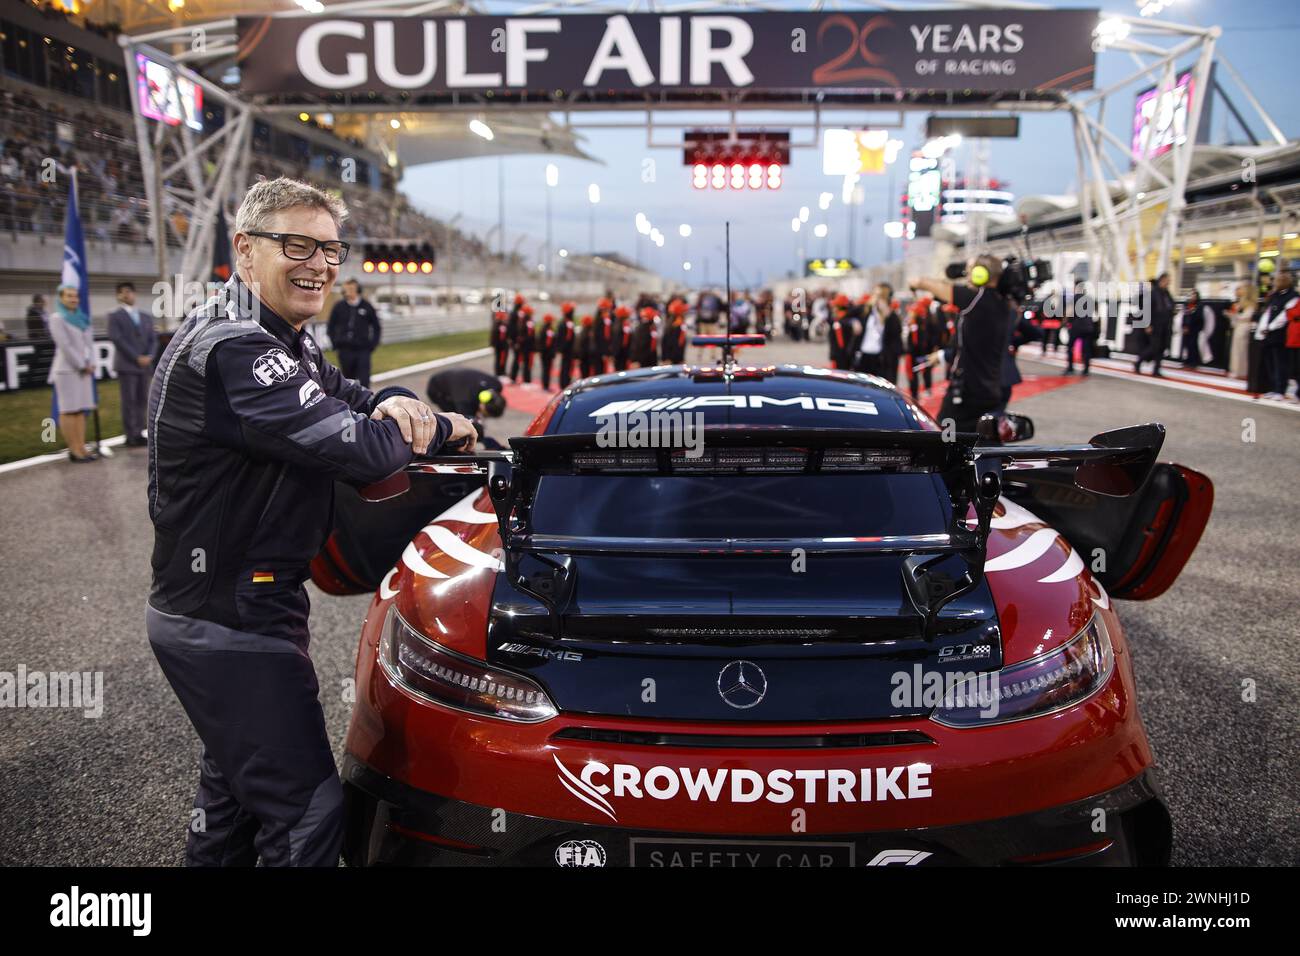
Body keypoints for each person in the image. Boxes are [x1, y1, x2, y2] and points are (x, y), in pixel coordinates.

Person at [145, 177, 475, 867]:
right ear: (245, 248)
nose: (319, 264)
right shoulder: (239, 347)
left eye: (330, 249)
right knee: (308, 813)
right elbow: (361, 448)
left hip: (234, 606)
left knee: (231, 804)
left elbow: (353, 396)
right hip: (230, 617)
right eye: (296, 245)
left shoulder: (279, 336)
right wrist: (441, 424)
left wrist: (395, 399)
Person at [910, 254, 1014, 433]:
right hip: (990, 389)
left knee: (945, 438)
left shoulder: (977, 298)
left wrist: (917, 282)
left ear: (981, 274)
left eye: (970, 270)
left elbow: (925, 283)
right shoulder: (1003, 302)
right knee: (981, 440)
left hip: (968, 392)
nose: (967, 275)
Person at [46, 283, 98, 463]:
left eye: (75, 295)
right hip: (67, 371)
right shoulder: (57, 318)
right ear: (61, 298)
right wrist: (82, 364)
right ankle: (74, 450)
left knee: (80, 410)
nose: (73, 299)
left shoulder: (83, 318)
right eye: (69, 295)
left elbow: (89, 344)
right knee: (69, 410)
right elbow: (65, 345)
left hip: (85, 371)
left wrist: (92, 363)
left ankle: (82, 447)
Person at [106, 280, 157, 446]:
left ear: (135, 294)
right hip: (127, 365)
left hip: (145, 365)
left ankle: (139, 432)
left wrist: (149, 355)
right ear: (118, 296)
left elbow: (153, 339)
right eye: (122, 292)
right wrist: (136, 357)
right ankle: (130, 435)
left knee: (143, 400)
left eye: (129, 291)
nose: (126, 295)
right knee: (129, 401)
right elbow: (118, 339)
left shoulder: (145, 317)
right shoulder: (114, 316)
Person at [425, 365, 507, 445]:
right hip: (436, 389)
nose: (484, 416)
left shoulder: (496, 384)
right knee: (457, 422)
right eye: (485, 414)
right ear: (482, 405)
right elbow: (467, 425)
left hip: (458, 379)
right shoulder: (465, 403)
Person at [1254, 269, 1300, 399]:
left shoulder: (1293, 296)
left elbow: (1285, 315)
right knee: (1271, 363)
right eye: (1278, 279)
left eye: (1283, 279)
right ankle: (1273, 388)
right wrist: (1263, 328)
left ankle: (1280, 390)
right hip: (1269, 335)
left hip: (1282, 335)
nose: (1279, 281)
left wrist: (1270, 327)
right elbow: (1267, 313)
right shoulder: (1274, 295)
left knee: (1281, 364)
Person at [325, 278, 380, 386]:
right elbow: (331, 326)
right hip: (344, 350)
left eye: (350, 289)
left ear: (358, 290)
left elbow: (376, 327)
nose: (347, 292)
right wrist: (335, 344)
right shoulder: (339, 306)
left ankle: (365, 397)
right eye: (345, 289)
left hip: (363, 350)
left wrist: (372, 345)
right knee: (348, 382)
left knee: (364, 380)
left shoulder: (367, 306)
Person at [1136, 273, 1175, 377]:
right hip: (1155, 325)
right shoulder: (1153, 293)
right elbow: (1146, 309)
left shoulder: (1167, 294)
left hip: (1165, 326)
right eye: (1168, 280)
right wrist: (1147, 325)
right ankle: (1138, 362)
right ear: (1162, 280)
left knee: (1161, 348)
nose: (1169, 282)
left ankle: (1156, 369)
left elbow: (1170, 307)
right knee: (1154, 347)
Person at [1227, 282, 1257, 380]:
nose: (1239, 291)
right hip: (1238, 326)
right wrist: (1233, 315)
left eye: (1241, 289)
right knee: (1236, 349)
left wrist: (1235, 315)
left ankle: (1240, 371)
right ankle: (1236, 370)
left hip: (1244, 327)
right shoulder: (1241, 303)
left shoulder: (1251, 304)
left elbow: (1247, 316)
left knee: (1241, 350)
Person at [1064, 283, 1094, 376]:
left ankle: (1070, 368)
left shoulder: (1074, 299)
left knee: (1070, 347)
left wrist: (1066, 323)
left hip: (1077, 326)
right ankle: (1086, 370)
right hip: (1088, 327)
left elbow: (1069, 313)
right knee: (1086, 348)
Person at [510, 304, 536, 383]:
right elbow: (530, 335)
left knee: (518, 361)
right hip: (526, 346)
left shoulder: (521, 320)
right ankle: (526, 380)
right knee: (526, 363)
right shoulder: (529, 322)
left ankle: (513, 377)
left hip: (521, 344)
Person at [557, 302, 577, 388]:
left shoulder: (566, 322)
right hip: (567, 350)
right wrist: (563, 348)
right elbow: (568, 338)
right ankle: (564, 383)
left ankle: (565, 382)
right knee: (566, 367)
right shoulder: (567, 323)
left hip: (567, 349)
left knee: (567, 367)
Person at [536, 311, 558, 389]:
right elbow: (548, 343)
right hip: (547, 353)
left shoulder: (544, 329)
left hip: (545, 353)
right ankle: (546, 385)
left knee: (546, 369)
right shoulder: (548, 330)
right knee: (546, 369)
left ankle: (545, 385)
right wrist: (552, 352)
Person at [489, 309, 510, 377]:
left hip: (501, 346)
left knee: (501, 359)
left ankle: (501, 372)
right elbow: (499, 337)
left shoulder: (500, 324)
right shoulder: (500, 325)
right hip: (500, 346)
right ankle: (499, 373)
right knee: (500, 359)